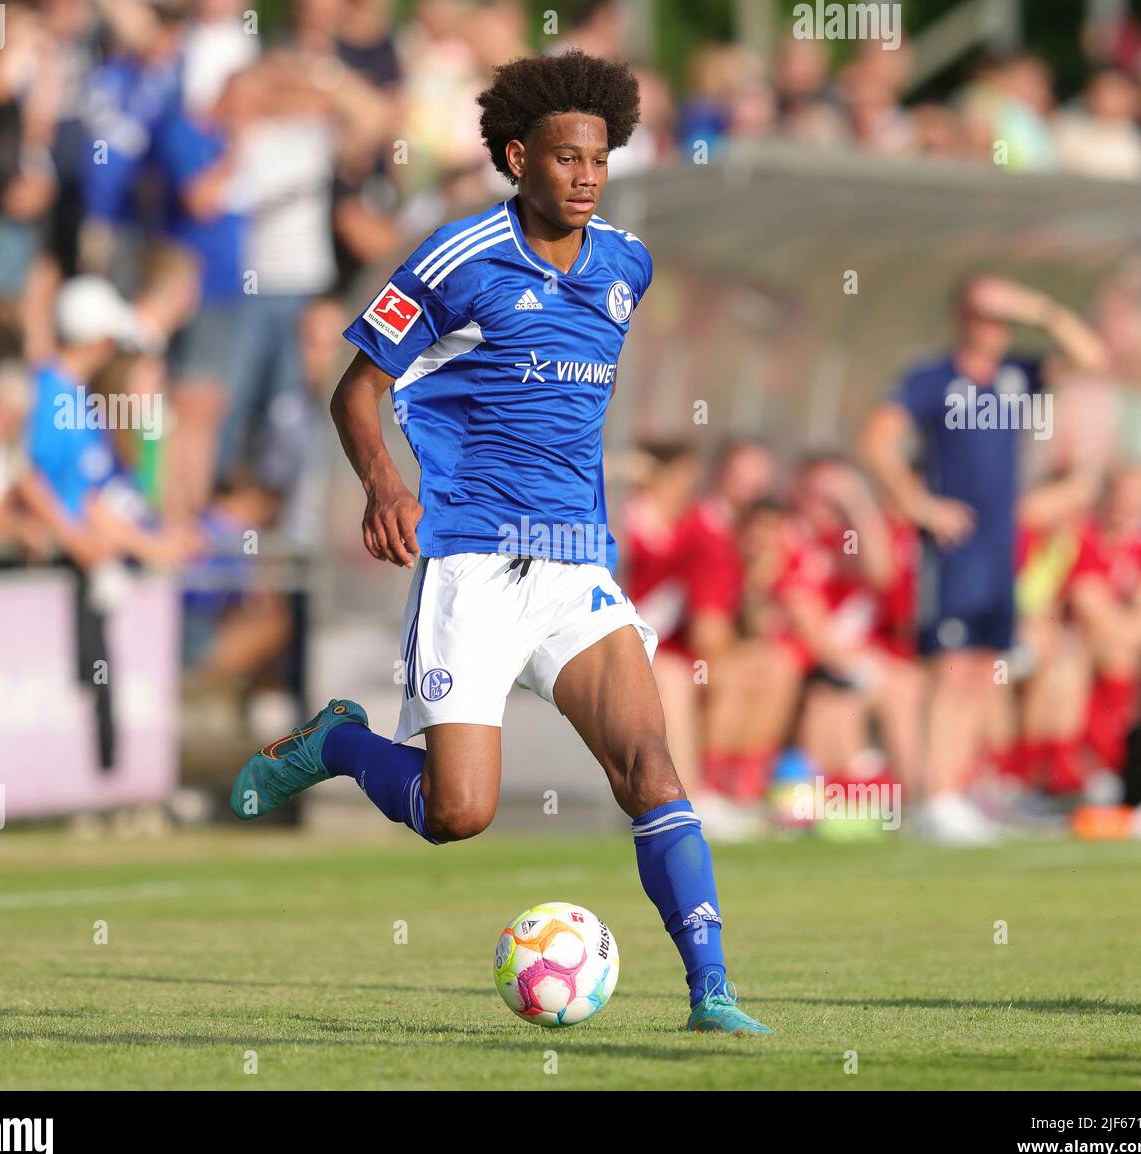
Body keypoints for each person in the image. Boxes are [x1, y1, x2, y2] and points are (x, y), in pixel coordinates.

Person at [229, 50, 771, 1035]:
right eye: (566, 158)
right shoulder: (455, 257)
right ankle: (342, 741)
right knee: (457, 811)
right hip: (474, 562)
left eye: (598, 161)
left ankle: (712, 991)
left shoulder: (625, 266)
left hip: (575, 566)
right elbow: (357, 385)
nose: (585, 177)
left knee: (649, 763)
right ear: (517, 155)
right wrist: (384, 480)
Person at [861, 275, 1108, 844]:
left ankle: (953, 790)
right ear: (961, 319)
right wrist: (917, 503)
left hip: (1000, 548)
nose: (992, 328)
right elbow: (877, 439)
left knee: (980, 671)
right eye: (982, 316)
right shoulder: (934, 379)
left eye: (1000, 319)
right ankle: (936, 795)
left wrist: (1038, 306)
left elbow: (1094, 361)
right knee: (950, 667)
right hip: (952, 548)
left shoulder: (1020, 374)